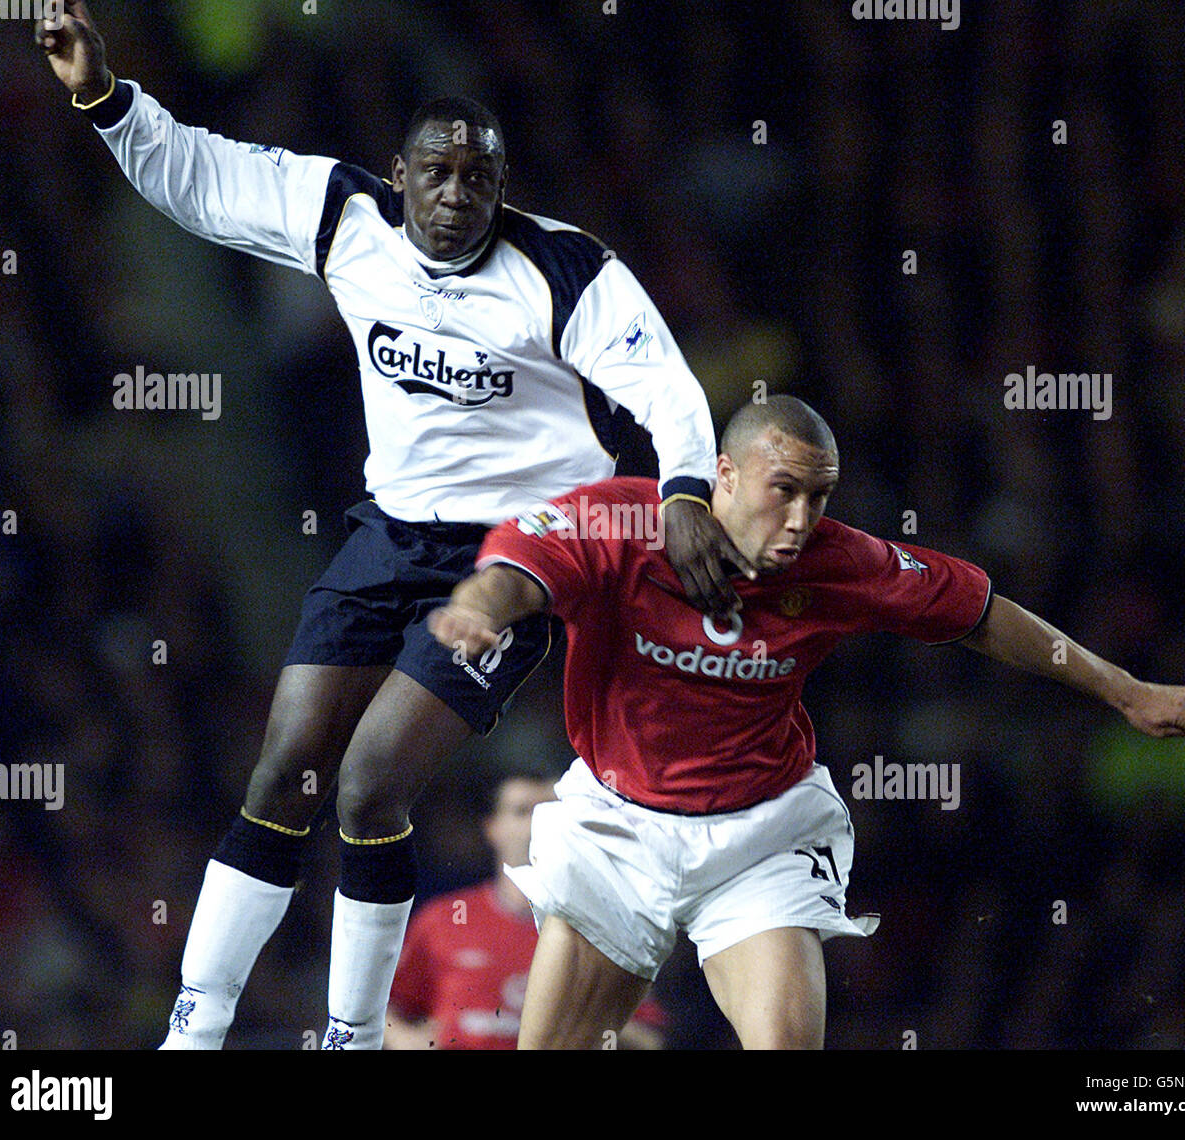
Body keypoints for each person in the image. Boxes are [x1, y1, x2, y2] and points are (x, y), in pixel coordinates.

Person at [37, 2, 754, 1051]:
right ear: (400, 173)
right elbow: (199, 175)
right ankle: (195, 1027)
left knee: (370, 785)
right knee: (284, 770)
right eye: (438, 173)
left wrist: (686, 489)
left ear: (501, 186)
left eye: (478, 177)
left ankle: (350, 1035)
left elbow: (670, 392)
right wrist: (102, 96)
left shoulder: (564, 270)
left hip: (520, 557)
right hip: (391, 537)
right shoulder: (342, 217)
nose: (457, 194)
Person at [429, 394, 1185, 1049]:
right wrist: (478, 605)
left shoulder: (841, 562)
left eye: (821, 495)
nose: (804, 518)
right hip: (618, 831)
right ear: (725, 475)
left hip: (760, 837)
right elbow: (520, 568)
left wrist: (1125, 691)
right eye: (785, 490)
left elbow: (981, 613)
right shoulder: (625, 524)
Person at [383, 767, 664, 1050]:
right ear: (492, 828)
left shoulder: (604, 931)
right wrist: (408, 1041)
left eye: (552, 810)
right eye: (522, 811)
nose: (538, 823)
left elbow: (650, 1040)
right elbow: (384, 1007)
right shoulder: (445, 919)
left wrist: (578, 1019)